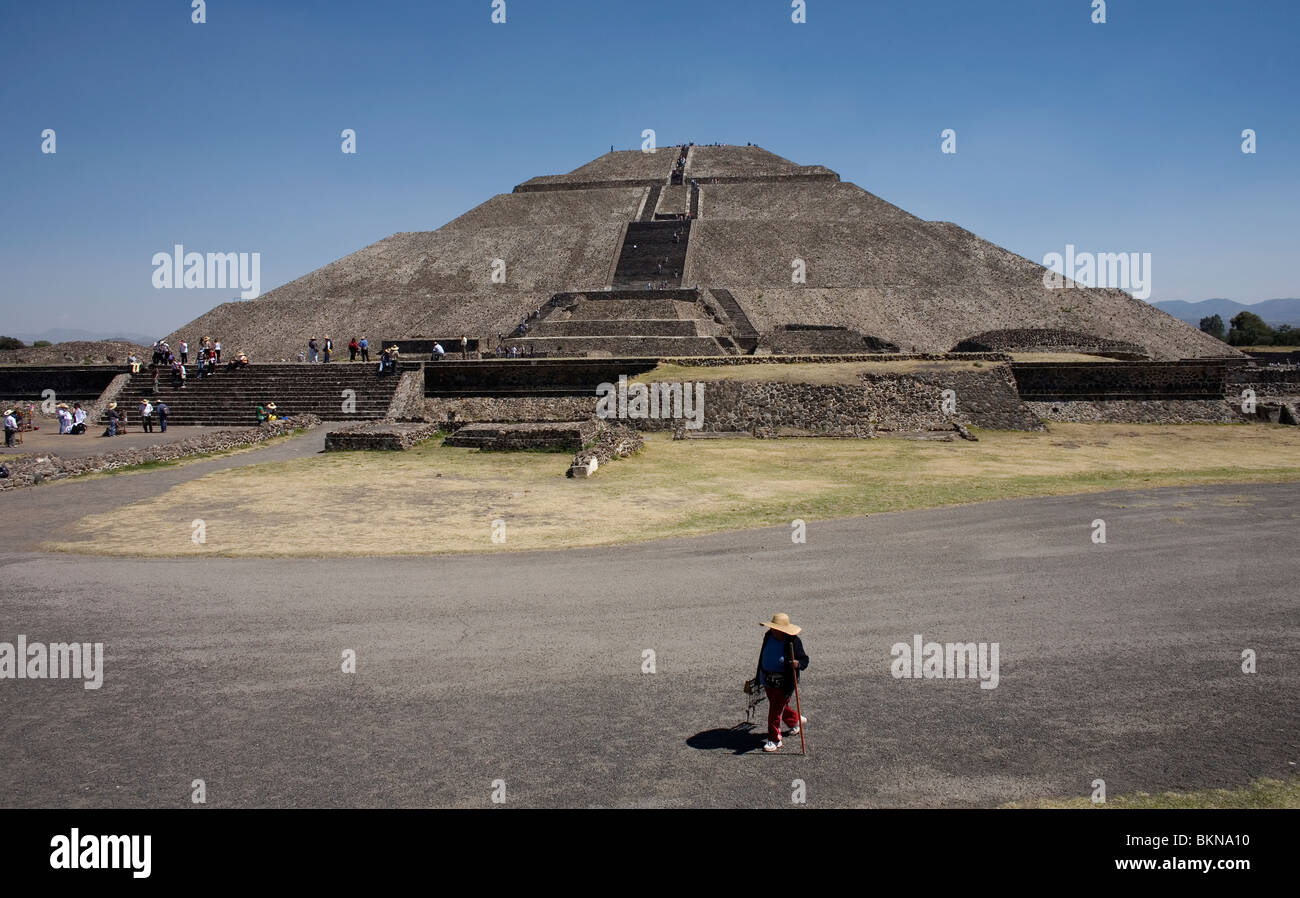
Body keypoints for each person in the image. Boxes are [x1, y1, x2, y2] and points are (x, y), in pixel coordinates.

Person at [753, 613, 809, 753]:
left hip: (784, 683)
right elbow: (763, 655)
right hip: (767, 679)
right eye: (773, 628)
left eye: (776, 629)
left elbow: (804, 660)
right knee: (778, 707)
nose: (774, 631)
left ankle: (774, 739)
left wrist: (797, 664)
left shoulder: (793, 642)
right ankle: (795, 721)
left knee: (774, 710)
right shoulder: (768, 636)